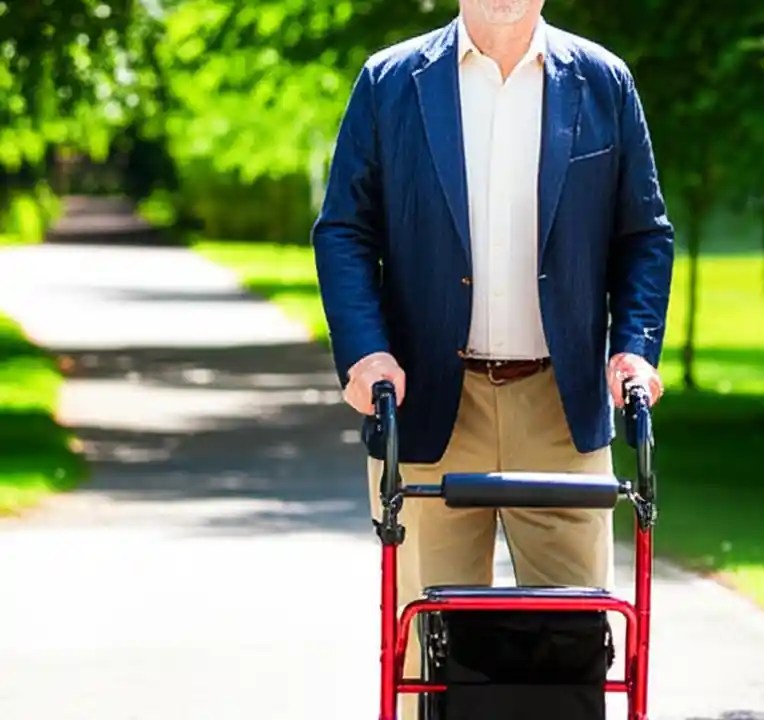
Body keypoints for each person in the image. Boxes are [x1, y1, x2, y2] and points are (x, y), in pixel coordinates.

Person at [311, 0, 673, 713]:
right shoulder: (391, 82)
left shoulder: (603, 81)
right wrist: (365, 353)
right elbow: (345, 230)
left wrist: (633, 348)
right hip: (429, 402)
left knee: (572, 647)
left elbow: (644, 236)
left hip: (560, 405)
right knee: (425, 653)